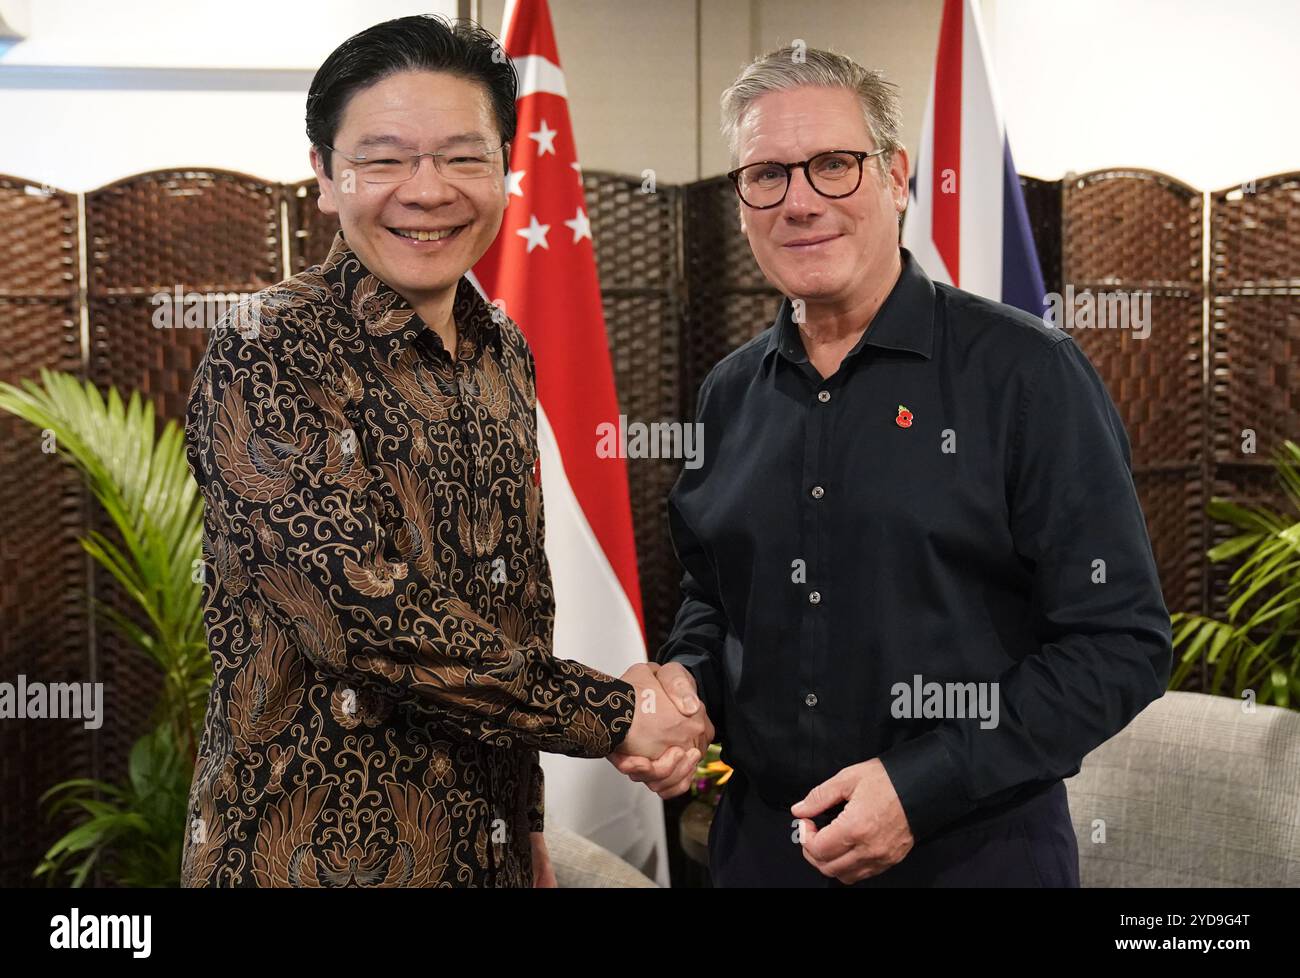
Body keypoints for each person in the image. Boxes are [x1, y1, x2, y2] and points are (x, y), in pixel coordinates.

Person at [613, 46, 1172, 887]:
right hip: (762, 854)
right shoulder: (728, 393)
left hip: (974, 852)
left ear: (897, 177)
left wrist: (923, 785)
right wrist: (683, 692)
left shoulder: (1028, 375)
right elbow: (717, 596)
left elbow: (1121, 643)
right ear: (739, 203)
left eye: (834, 165)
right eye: (766, 175)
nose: (799, 202)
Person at [180, 14, 707, 888]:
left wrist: (524, 819)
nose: (428, 191)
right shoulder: (268, 347)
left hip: (486, 849)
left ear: (506, 168)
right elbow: (363, 616)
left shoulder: (502, 347)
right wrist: (615, 716)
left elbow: (517, 606)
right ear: (323, 175)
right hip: (304, 858)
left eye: (465, 157)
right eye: (385, 158)